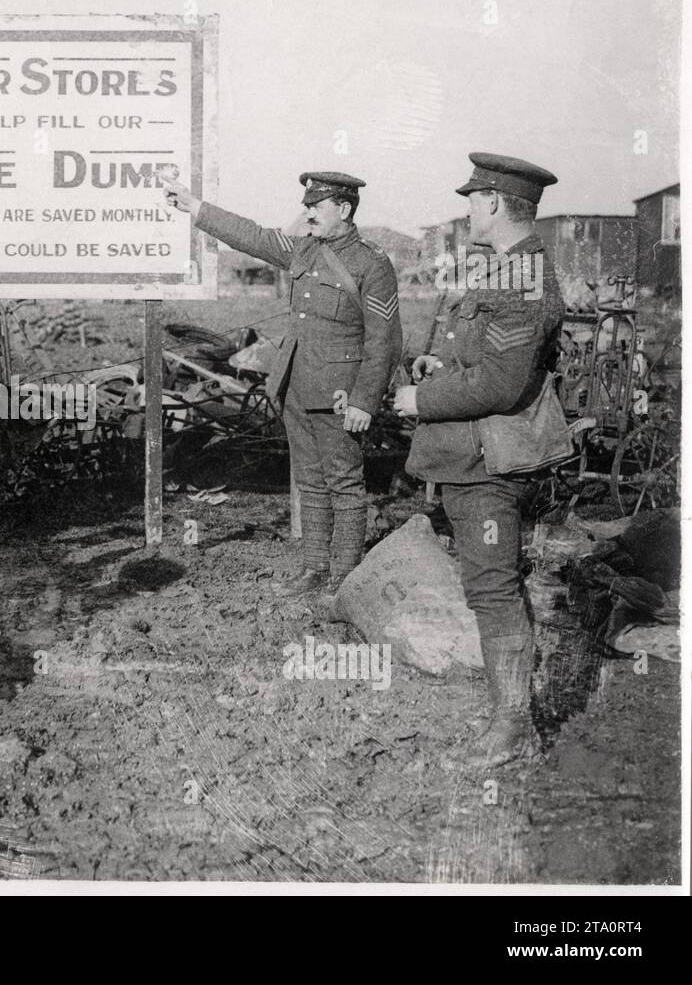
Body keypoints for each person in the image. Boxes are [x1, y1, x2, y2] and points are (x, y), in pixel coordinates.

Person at [393, 152, 565, 767]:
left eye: (472, 200)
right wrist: (442, 366)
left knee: (493, 588)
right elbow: (484, 359)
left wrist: (422, 398)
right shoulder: (503, 270)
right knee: (488, 585)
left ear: (493, 203)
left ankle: (512, 728)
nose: (468, 211)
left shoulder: (523, 278)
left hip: (490, 462)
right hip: (472, 453)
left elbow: (501, 385)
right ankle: (509, 715)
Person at [163, 171, 403, 594]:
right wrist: (195, 207)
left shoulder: (372, 263)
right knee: (309, 480)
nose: (307, 212)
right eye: (306, 205)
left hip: (340, 394)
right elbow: (251, 236)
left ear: (344, 210)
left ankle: (344, 575)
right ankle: (314, 569)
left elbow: (385, 340)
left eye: (316, 206)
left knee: (344, 482)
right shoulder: (305, 249)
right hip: (296, 383)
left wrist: (366, 400)